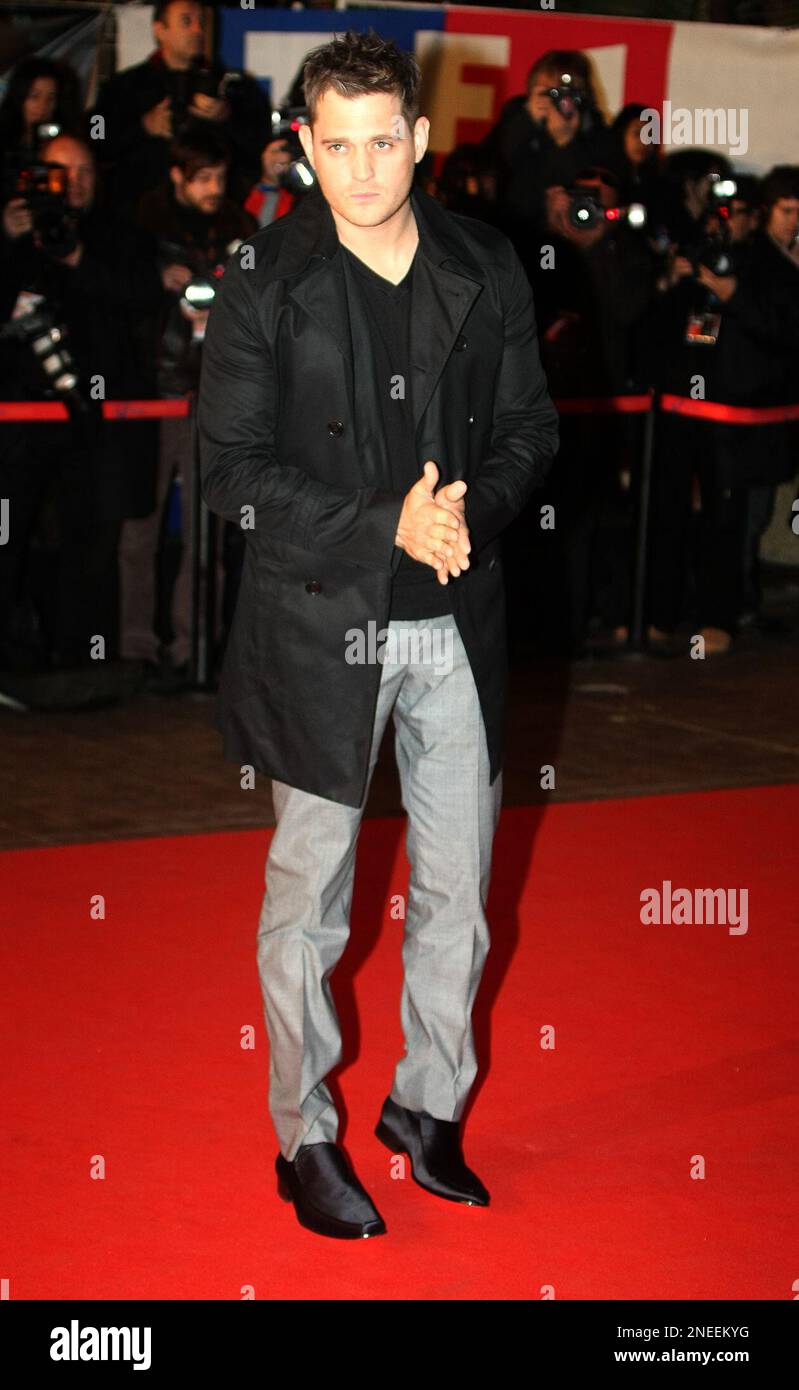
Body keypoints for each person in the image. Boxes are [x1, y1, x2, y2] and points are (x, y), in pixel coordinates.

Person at [197, 28, 558, 1240]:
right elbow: (227, 472)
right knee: (313, 901)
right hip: (319, 624)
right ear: (304, 144)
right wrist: (384, 525)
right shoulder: (263, 273)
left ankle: (427, 1108)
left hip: (457, 618)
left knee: (458, 888)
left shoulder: (484, 259)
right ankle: (303, 1135)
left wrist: (465, 514)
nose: (361, 172)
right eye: (335, 146)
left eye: (382, 143)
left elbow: (528, 432)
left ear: (418, 136)